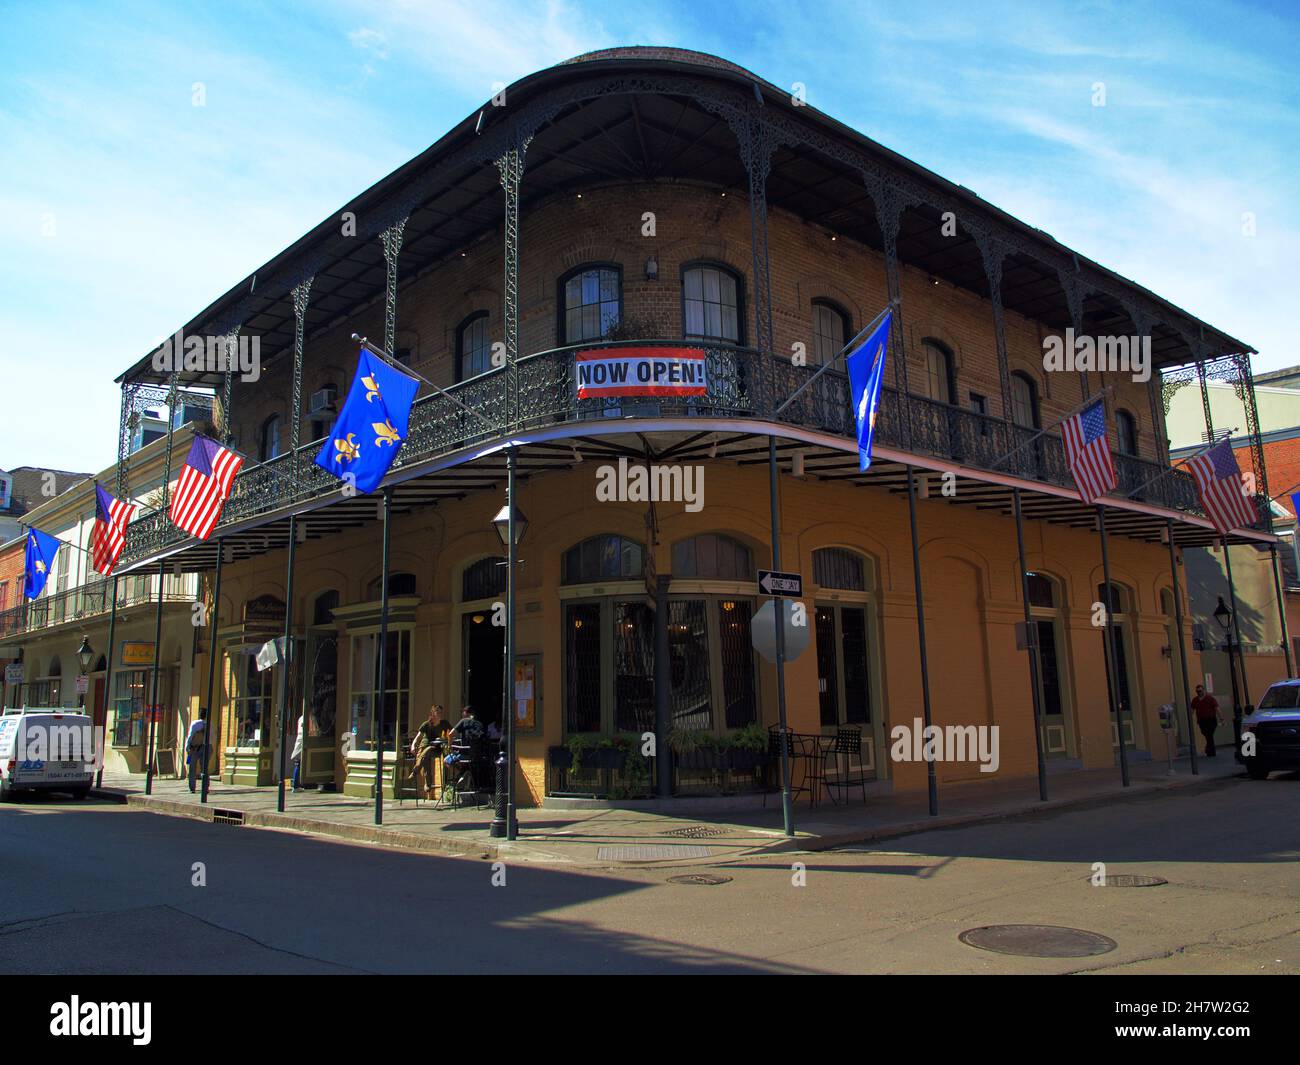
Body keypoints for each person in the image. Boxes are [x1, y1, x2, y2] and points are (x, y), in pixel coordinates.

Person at [409, 704, 449, 798]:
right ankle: (428, 783)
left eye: (440, 712)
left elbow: (450, 734)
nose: (439, 714)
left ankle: (416, 770)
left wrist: (443, 738)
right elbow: (418, 737)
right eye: (437, 712)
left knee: (428, 751)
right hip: (424, 747)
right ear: (433, 713)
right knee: (426, 754)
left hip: (436, 748)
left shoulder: (444, 723)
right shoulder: (426, 724)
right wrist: (413, 745)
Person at [1191, 684, 1223, 757]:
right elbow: (1192, 710)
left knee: (1209, 734)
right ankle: (1208, 749)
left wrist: (1221, 718)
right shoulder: (1195, 700)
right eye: (1197, 691)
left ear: (1203, 690)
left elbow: (1217, 708)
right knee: (1206, 734)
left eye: (1200, 691)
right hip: (1201, 720)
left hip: (1211, 720)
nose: (1199, 692)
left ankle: (1211, 752)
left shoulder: (1210, 699)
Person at [185, 709, 207, 793]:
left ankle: (192, 788)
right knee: (204, 768)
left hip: (194, 748)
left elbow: (190, 736)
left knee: (192, 768)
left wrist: (187, 747)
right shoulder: (208, 724)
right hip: (204, 747)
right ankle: (205, 787)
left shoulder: (195, 723)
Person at [290, 714, 306, 790]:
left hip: (300, 740)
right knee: (298, 764)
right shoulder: (306, 718)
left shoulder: (300, 718)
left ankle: (297, 785)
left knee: (298, 764)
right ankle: (296, 785)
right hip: (302, 741)